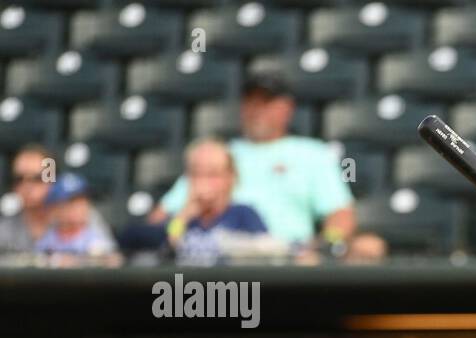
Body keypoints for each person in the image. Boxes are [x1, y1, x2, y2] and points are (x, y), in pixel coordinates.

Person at [153, 70, 354, 249]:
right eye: (250, 101)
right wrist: (179, 223)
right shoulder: (217, 155)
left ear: (287, 107)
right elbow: (161, 218)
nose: (257, 109)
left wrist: (321, 248)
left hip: (289, 258)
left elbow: (340, 216)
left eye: (266, 101)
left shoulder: (312, 154)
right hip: (220, 258)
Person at [163, 138, 272, 262]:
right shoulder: (181, 219)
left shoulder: (243, 214)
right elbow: (169, 242)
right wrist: (183, 216)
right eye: (197, 174)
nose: (204, 182)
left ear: (231, 178)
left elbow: (267, 250)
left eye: (213, 174)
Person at [0, 145, 111, 255]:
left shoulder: (82, 216)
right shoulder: (6, 229)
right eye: (19, 179)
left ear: (55, 180)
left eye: (37, 178)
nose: (27, 186)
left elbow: (107, 259)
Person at [33, 172, 119, 260]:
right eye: (71, 202)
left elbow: (113, 261)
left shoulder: (98, 240)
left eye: (82, 200)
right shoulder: (46, 242)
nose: (78, 208)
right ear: (55, 208)